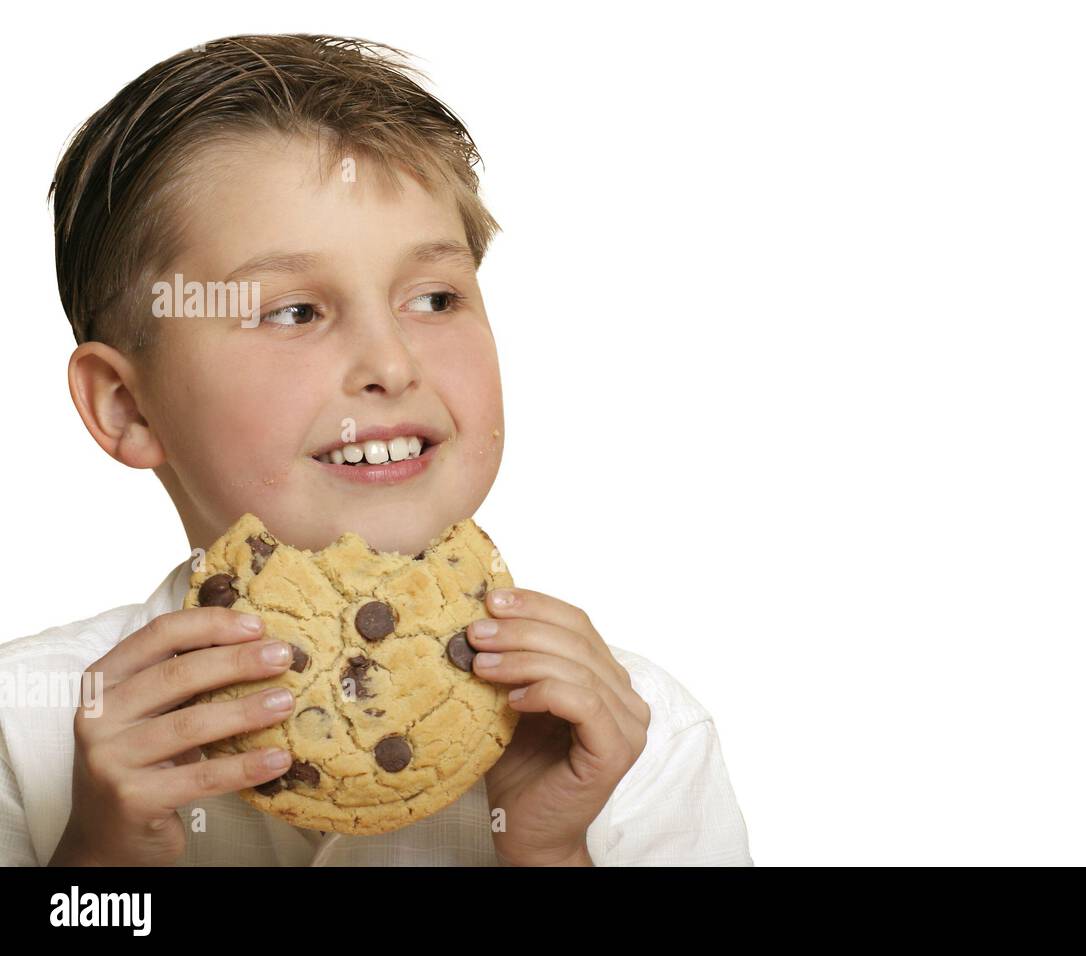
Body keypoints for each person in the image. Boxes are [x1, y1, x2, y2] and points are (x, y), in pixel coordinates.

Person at [0, 34, 752, 866]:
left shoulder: (633, 742)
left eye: (433, 297)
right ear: (128, 406)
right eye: (295, 313)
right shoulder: (19, 733)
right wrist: (102, 864)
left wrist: (548, 850)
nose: (393, 365)